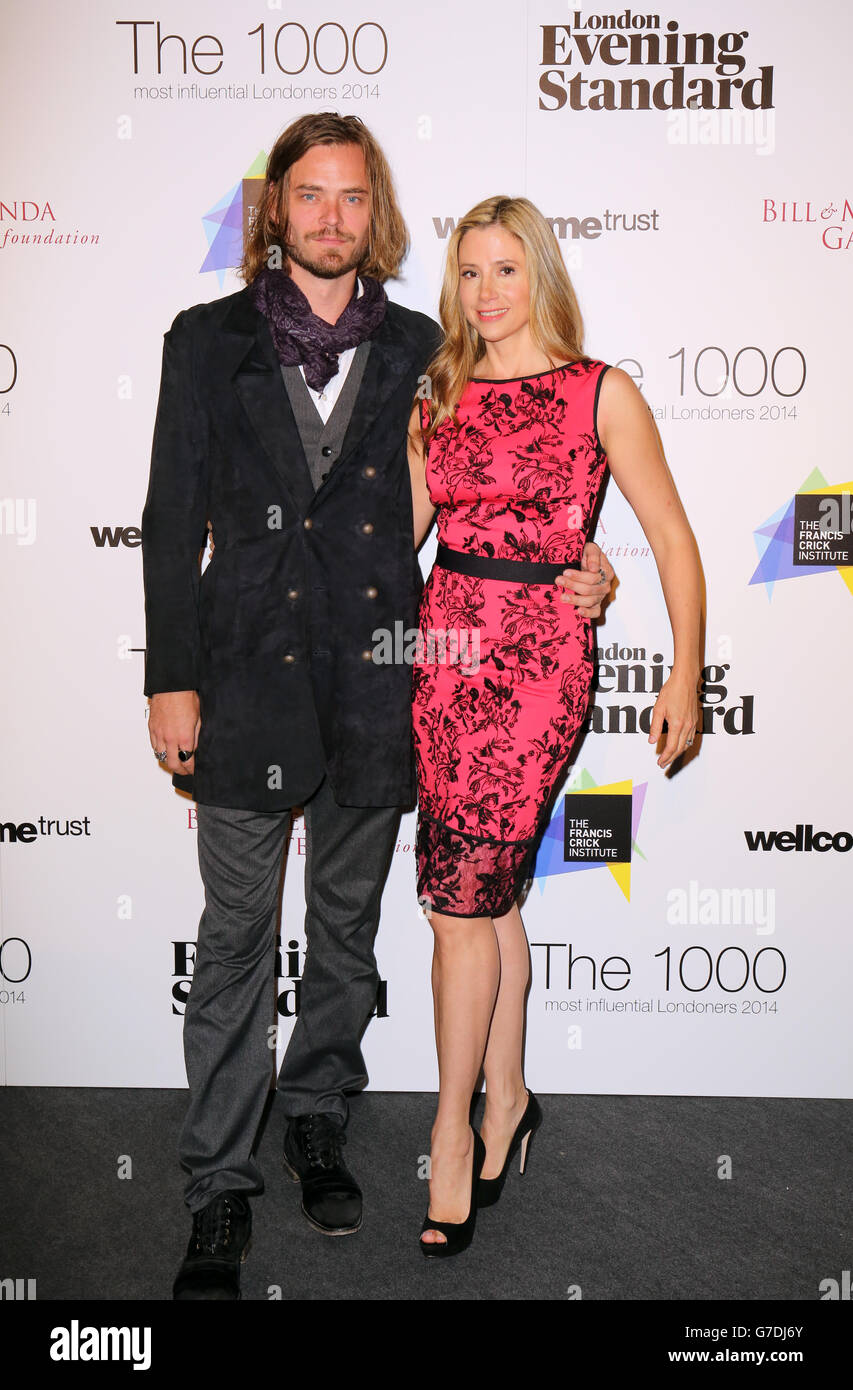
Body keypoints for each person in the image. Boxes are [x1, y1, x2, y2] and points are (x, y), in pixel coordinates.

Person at [142, 118, 614, 1298]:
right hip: (243, 682)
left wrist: (584, 568)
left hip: (377, 686)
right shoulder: (204, 342)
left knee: (345, 939)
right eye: (311, 195)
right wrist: (169, 675)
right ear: (276, 209)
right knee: (238, 942)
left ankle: (315, 1119)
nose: (333, 216)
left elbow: (513, 474)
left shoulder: (427, 345)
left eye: (354, 196)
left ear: (377, 211)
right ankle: (216, 1185)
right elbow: (166, 518)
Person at [407, 195, 703, 1257]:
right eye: (469, 273)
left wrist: (683, 674)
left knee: (455, 904)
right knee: (482, 897)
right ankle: (509, 1098)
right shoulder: (434, 394)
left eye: (504, 271)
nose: (485, 294)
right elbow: (390, 549)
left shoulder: (598, 391)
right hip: (441, 658)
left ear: (540, 274)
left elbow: (669, 536)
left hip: (536, 665)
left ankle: (448, 1132)